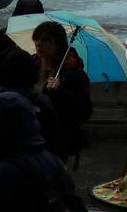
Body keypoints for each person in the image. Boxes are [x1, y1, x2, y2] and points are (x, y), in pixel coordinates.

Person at [32, 20, 92, 166]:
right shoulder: (29, 66)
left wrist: (61, 91)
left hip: (56, 138)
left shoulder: (72, 74)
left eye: (46, 40)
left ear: (57, 45)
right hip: (30, 132)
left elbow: (84, 111)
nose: (39, 43)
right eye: (37, 39)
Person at [0, 0, 45, 77]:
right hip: (9, 78)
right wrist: (13, 49)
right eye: (26, 16)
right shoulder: (5, 34)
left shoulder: (44, 36)